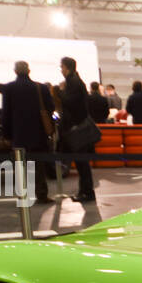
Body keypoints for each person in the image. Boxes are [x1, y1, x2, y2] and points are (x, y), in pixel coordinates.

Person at [0, 60, 54, 202]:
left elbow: (6, 113)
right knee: (39, 166)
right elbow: (50, 108)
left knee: (20, 165)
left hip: (18, 134)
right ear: (29, 71)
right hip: (38, 133)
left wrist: (6, 134)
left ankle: (23, 194)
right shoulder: (40, 88)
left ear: (15, 71)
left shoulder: (8, 88)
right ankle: (41, 193)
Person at [58, 56, 95, 202]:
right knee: (81, 163)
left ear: (67, 68)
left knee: (82, 163)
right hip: (78, 127)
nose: (61, 70)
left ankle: (86, 192)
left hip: (77, 128)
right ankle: (85, 192)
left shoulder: (73, 82)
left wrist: (60, 91)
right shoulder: (76, 81)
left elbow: (70, 102)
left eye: (61, 67)